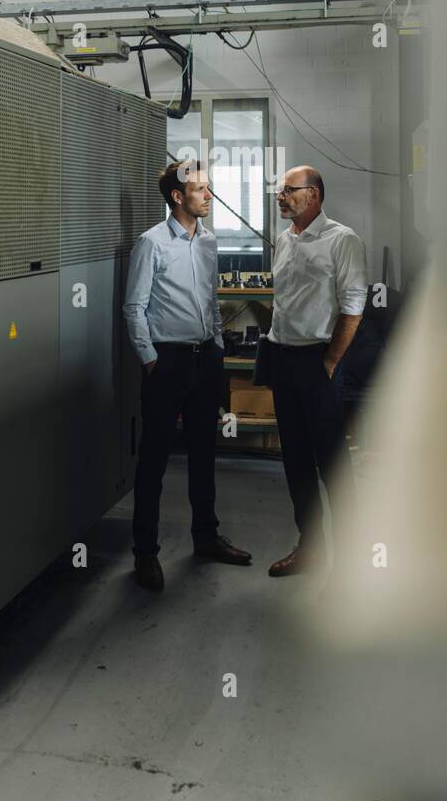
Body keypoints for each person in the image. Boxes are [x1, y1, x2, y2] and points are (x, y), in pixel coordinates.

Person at [123, 159, 252, 591]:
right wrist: (150, 359)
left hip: (204, 360)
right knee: (155, 459)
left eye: (208, 188)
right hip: (167, 362)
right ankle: (145, 554)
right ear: (178, 197)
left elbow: (209, 299)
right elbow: (134, 307)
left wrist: (215, 343)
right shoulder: (152, 243)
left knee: (203, 453)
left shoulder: (209, 243)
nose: (208, 196)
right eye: (200, 190)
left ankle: (206, 537)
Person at [266, 166, 367, 577]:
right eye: (280, 191)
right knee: (296, 462)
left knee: (332, 464)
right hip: (282, 359)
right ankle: (310, 547)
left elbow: (354, 304)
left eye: (290, 190)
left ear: (315, 195)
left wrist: (329, 361)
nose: (281, 197)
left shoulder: (342, 240)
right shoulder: (283, 240)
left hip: (318, 362)